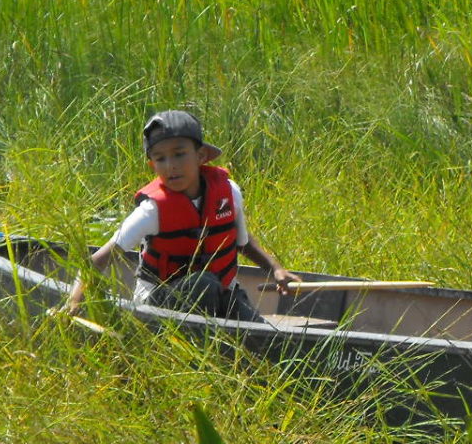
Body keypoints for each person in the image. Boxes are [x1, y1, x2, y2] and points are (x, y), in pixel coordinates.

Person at [62, 110, 296, 320]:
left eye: (179, 154)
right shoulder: (152, 210)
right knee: (204, 284)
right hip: (158, 303)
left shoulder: (229, 192)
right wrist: (75, 297)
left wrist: (275, 269)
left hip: (221, 294)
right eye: (160, 158)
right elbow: (98, 260)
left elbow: (242, 243)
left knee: (259, 330)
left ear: (201, 156)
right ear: (153, 166)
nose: (170, 166)